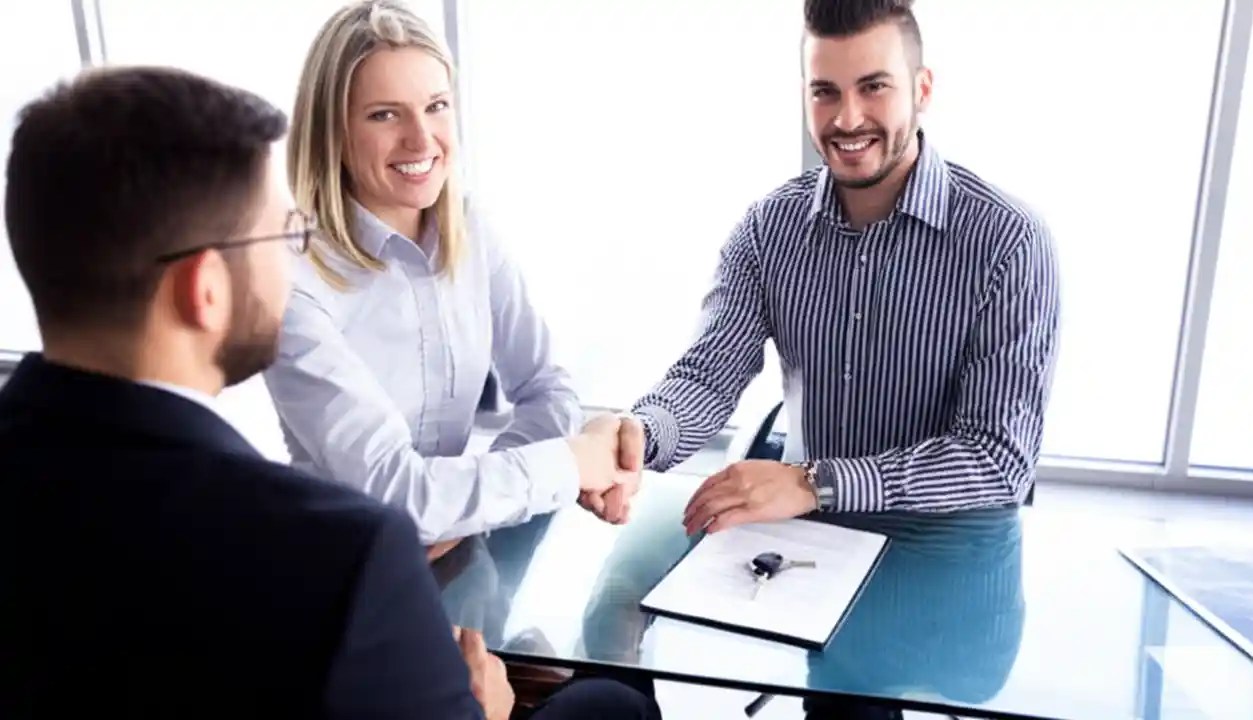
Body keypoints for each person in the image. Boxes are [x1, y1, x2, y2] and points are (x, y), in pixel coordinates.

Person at [0, 65, 658, 720]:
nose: (296, 264)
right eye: (285, 237)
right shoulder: (337, 558)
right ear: (205, 292)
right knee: (611, 703)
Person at [619, 0, 1062, 536]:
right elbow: (707, 377)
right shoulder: (768, 228)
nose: (846, 118)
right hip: (805, 538)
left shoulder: (1010, 241)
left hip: (947, 545)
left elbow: (997, 459)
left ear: (922, 90)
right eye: (824, 91)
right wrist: (636, 434)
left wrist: (814, 483)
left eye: (873, 86)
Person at [262, 0, 641, 553]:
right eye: (384, 115)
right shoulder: (291, 281)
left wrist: (473, 504)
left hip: (459, 563)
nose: (422, 140)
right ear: (333, 133)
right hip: (341, 580)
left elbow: (545, 390)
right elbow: (400, 497)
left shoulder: (470, 229)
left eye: (436, 106)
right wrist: (566, 464)